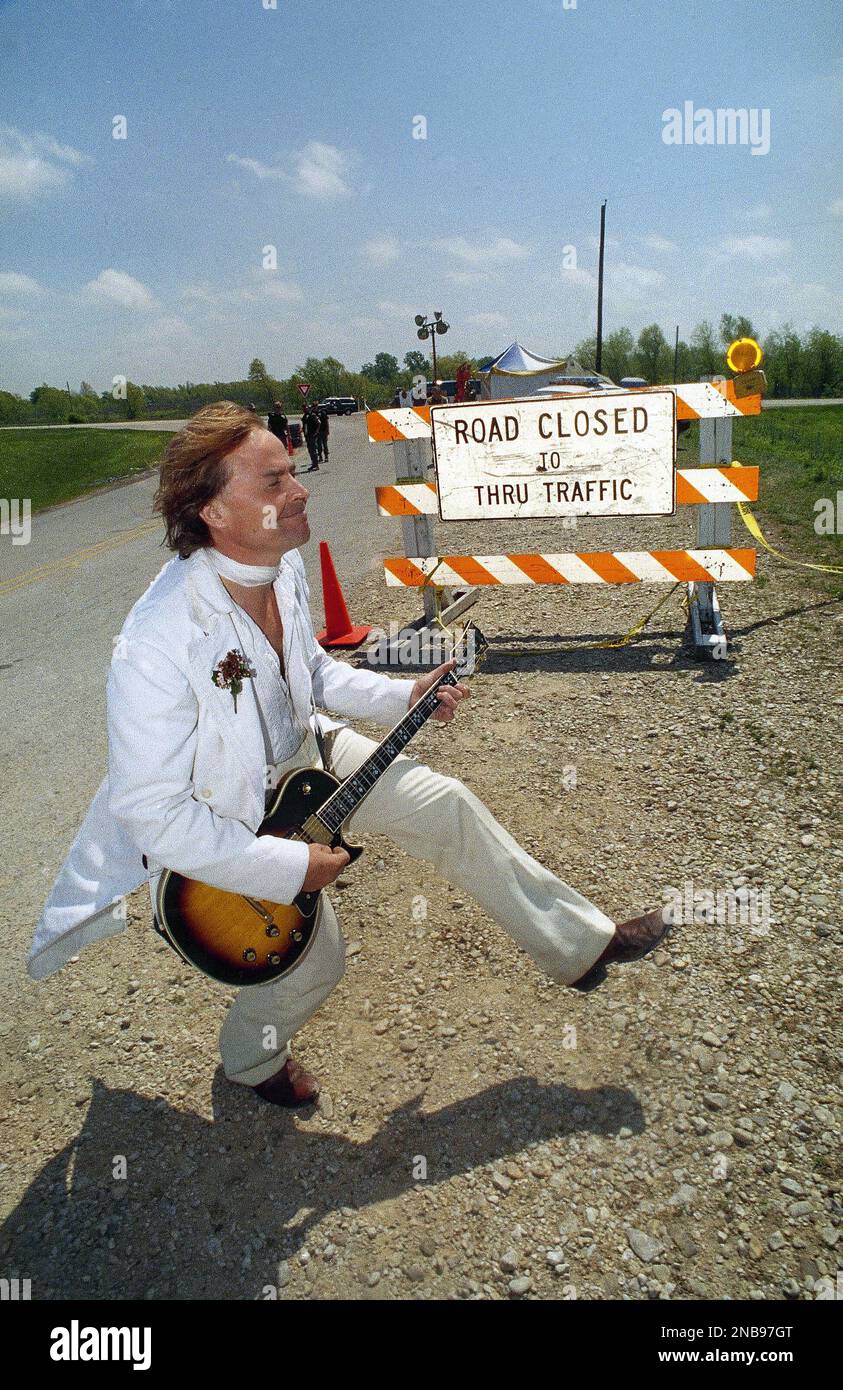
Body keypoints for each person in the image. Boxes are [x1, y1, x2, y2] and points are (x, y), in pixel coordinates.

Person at [28, 402, 669, 1108]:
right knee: (314, 968)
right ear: (211, 511)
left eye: (293, 473)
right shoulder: (156, 640)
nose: (299, 490)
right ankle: (247, 1062)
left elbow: (315, 672)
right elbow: (150, 811)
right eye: (273, 483)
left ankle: (579, 945)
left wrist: (402, 696)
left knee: (445, 807)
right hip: (231, 814)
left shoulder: (281, 563)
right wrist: (290, 865)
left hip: (311, 755)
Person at [301, 402, 321, 471]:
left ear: (308, 408)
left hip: (312, 435)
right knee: (310, 450)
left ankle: (316, 465)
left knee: (313, 450)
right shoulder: (305, 416)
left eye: (305, 408)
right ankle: (313, 464)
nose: (304, 409)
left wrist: (316, 432)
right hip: (307, 435)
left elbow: (319, 423)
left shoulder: (312, 415)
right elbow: (304, 425)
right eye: (303, 408)